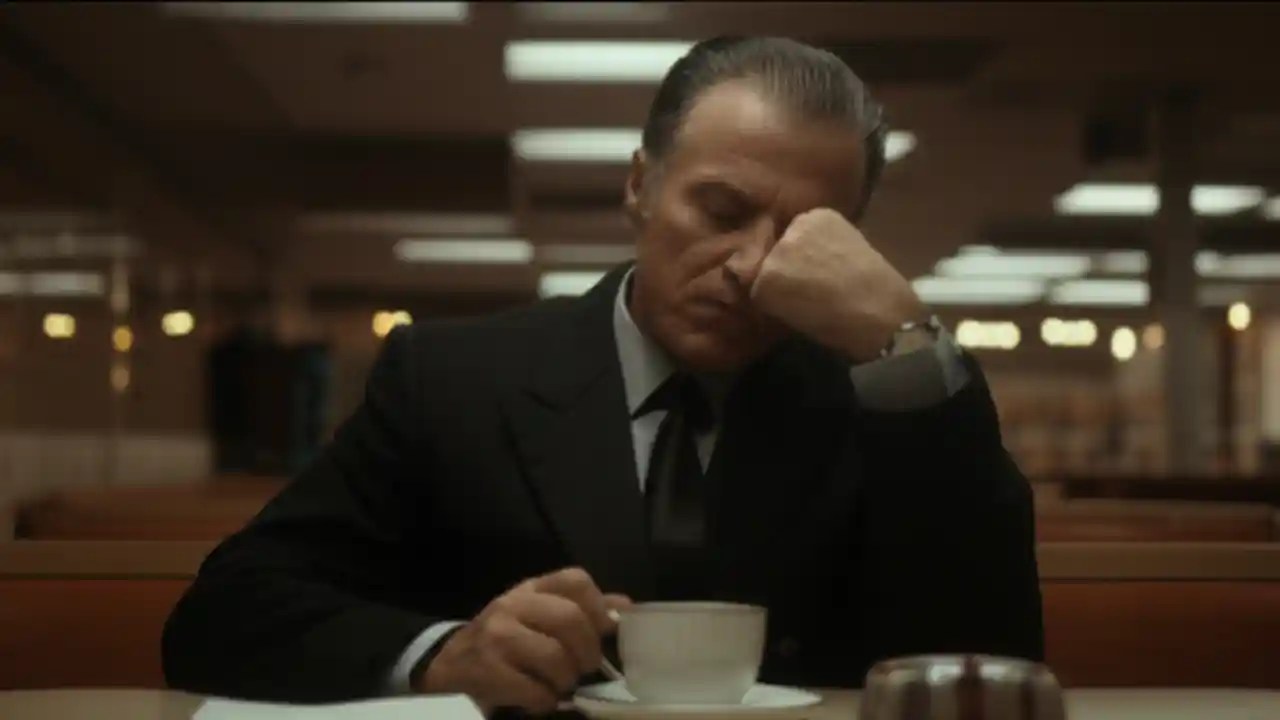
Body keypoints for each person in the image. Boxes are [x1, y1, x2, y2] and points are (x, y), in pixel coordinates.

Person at [163, 37, 1043, 713]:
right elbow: (224, 615)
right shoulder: (450, 380)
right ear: (640, 186)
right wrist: (442, 656)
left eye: (805, 237)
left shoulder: (881, 402)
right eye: (720, 211)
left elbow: (998, 660)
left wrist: (906, 343)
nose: (751, 267)